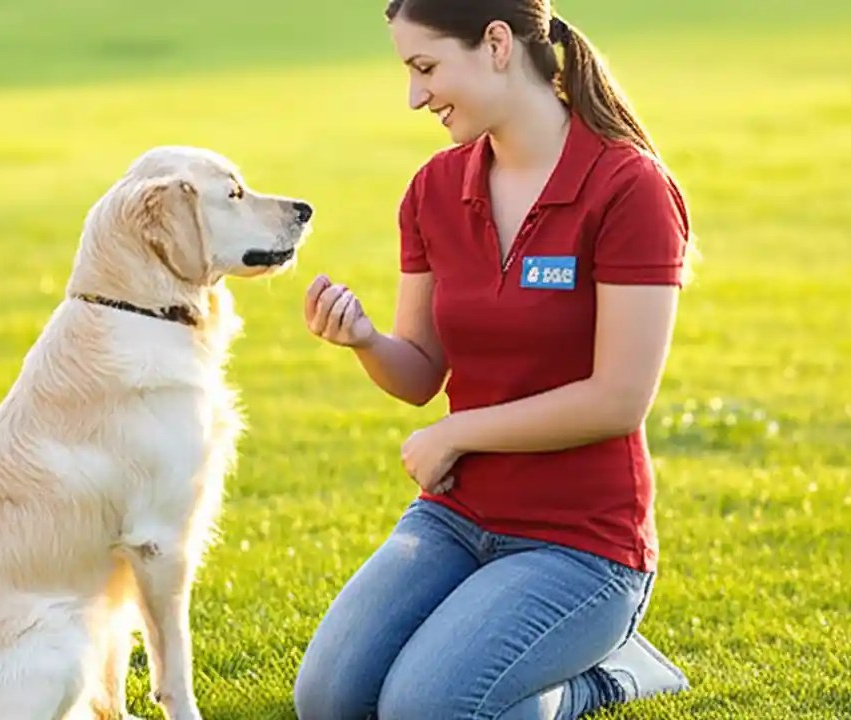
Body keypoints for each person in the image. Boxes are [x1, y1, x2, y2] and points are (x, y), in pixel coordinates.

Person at [292, 1, 696, 718]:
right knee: (328, 700)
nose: (415, 95)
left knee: (421, 709)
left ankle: (604, 679)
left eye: (426, 67)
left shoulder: (629, 189)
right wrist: (364, 342)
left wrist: (457, 433)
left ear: (498, 44)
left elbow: (618, 399)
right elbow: (419, 373)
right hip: (454, 518)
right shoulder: (433, 190)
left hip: (582, 545)